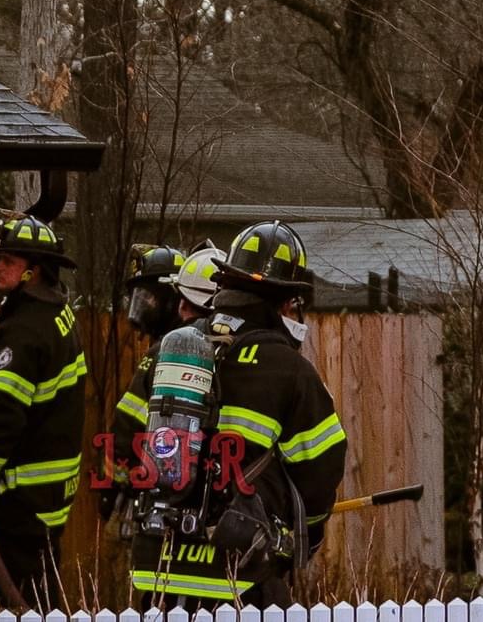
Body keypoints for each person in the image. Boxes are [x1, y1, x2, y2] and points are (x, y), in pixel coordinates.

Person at [129, 220, 346, 608]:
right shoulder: (289, 369)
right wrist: (306, 536)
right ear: (285, 301)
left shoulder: (173, 349)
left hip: (162, 561)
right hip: (240, 572)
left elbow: (135, 434)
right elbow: (321, 469)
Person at [0, 214, 88, 611]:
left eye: (9, 261)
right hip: (48, 494)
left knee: (25, 600)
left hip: (21, 498)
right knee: (41, 589)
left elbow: (5, 414)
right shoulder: (51, 314)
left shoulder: (26, 331)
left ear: (32, 271)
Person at [106, 243, 223, 498]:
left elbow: (127, 425)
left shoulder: (166, 353)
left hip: (155, 492)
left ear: (178, 300)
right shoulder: (227, 348)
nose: (143, 306)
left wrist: (115, 486)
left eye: (150, 298)